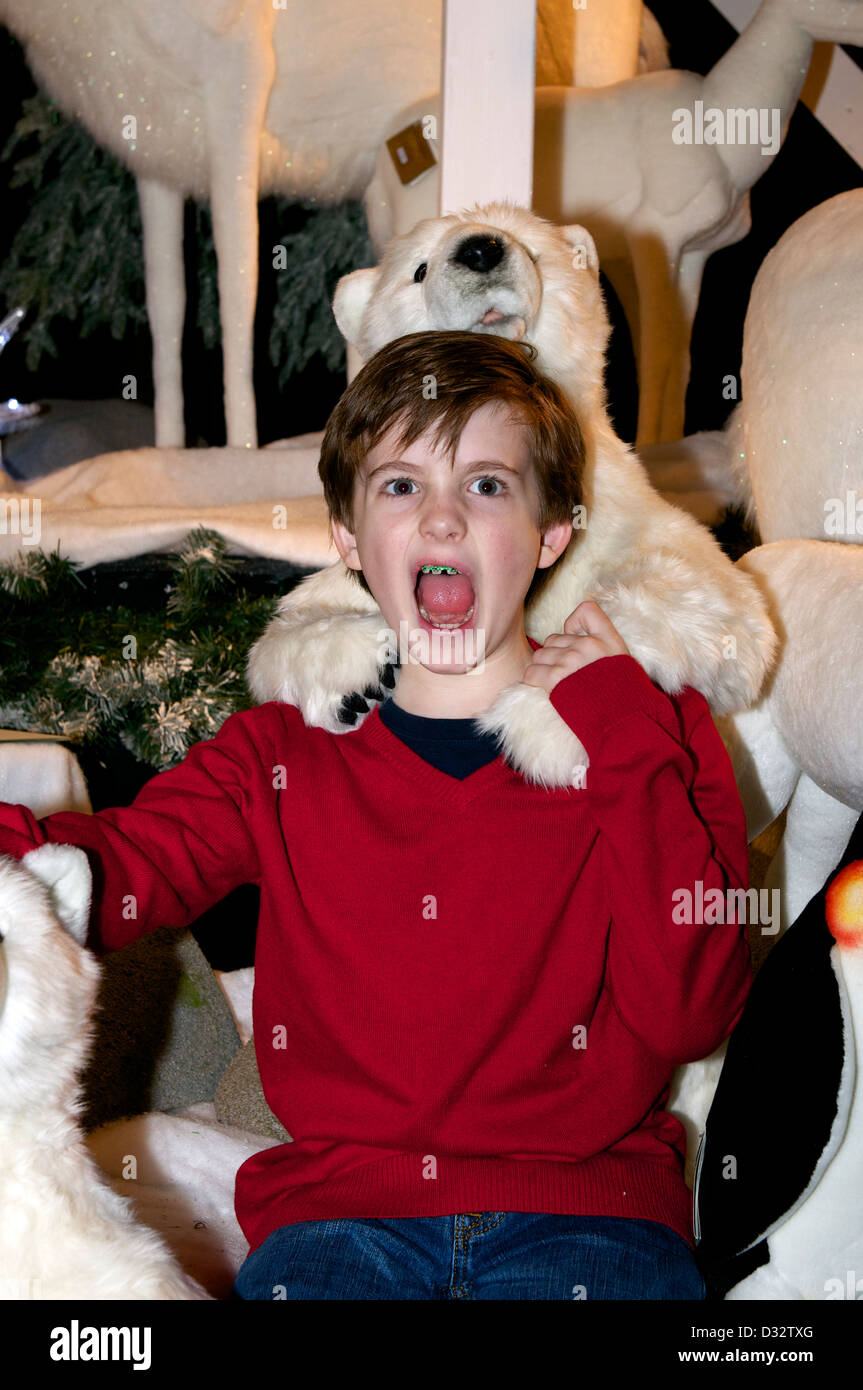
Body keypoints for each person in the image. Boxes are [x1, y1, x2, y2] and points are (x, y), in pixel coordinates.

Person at [0, 330, 753, 1300]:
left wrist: (621, 738)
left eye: (486, 486)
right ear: (350, 537)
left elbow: (690, 1010)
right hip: (342, 1223)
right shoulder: (281, 751)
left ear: (549, 532)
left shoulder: (646, 728)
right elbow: (115, 873)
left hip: (589, 1219)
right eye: (401, 487)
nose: (441, 522)